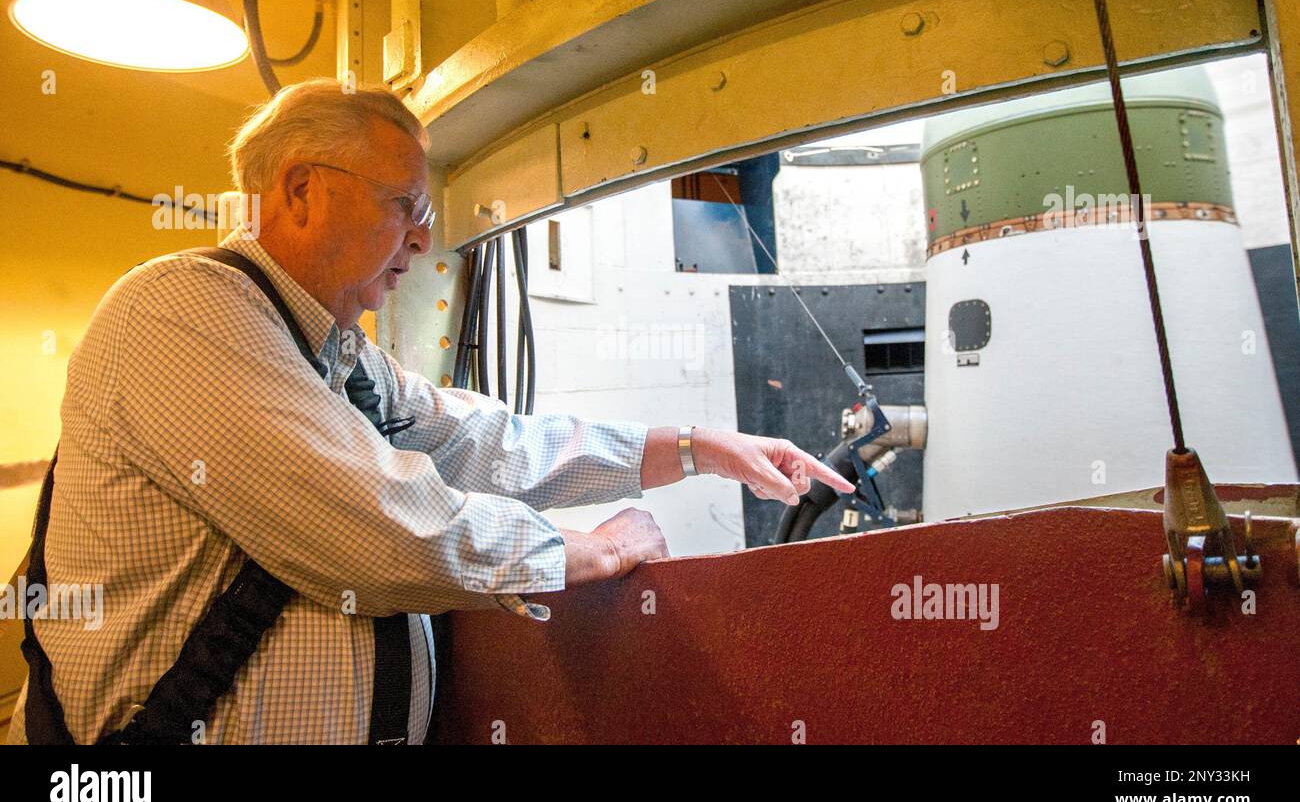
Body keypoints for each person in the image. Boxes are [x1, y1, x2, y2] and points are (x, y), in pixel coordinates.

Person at [8, 79, 854, 745]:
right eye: (404, 206)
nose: (422, 239)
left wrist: (697, 445)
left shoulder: (340, 358)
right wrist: (586, 551)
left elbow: (491, 445)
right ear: (301, 190)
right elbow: (368, 525)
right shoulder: (181, 312)